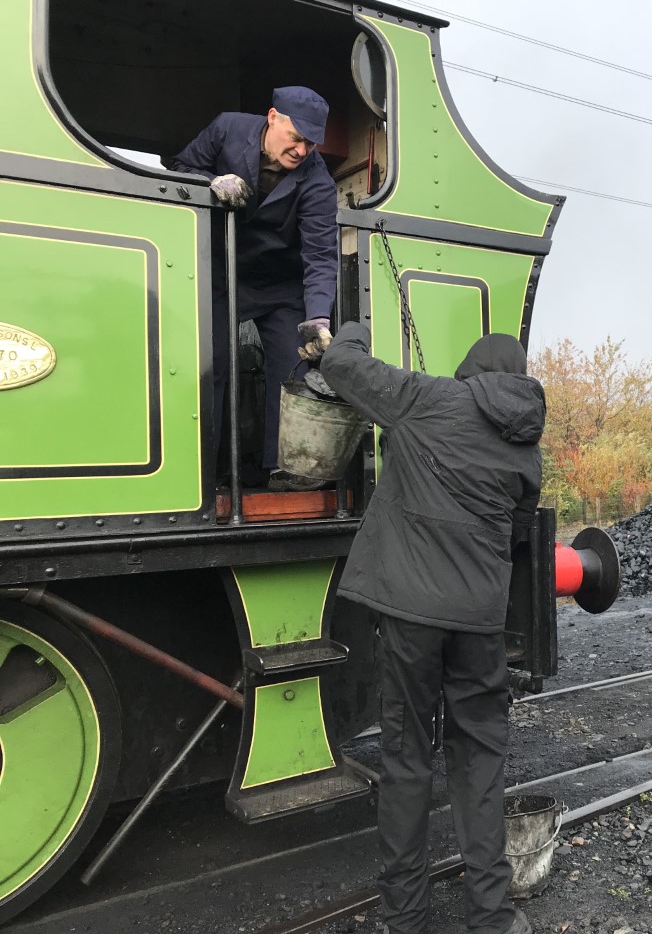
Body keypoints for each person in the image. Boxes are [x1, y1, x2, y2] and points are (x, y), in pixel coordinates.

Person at [319, 323, 544, 934]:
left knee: (408, 757)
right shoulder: (527, 444)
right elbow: (520, 529)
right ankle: (493, 918)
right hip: (479, 624)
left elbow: (342, 365)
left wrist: (352, 328)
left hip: (413, 619)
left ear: (471, 370)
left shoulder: (428, 397)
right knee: (478, 761)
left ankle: (407, 919)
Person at [168, 86, 338, 491]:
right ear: (273, 117)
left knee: (292, 369)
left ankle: (283, 471)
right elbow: (178, 168)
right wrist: (210, 182)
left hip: (280, 284)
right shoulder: (227, 128)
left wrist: (317, 317)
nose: (301, 150)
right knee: (212, 368)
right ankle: (204, 471)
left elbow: (320, 253)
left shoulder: (318, 180)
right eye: (295, 138)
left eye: (311, 143)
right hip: (218, 271)